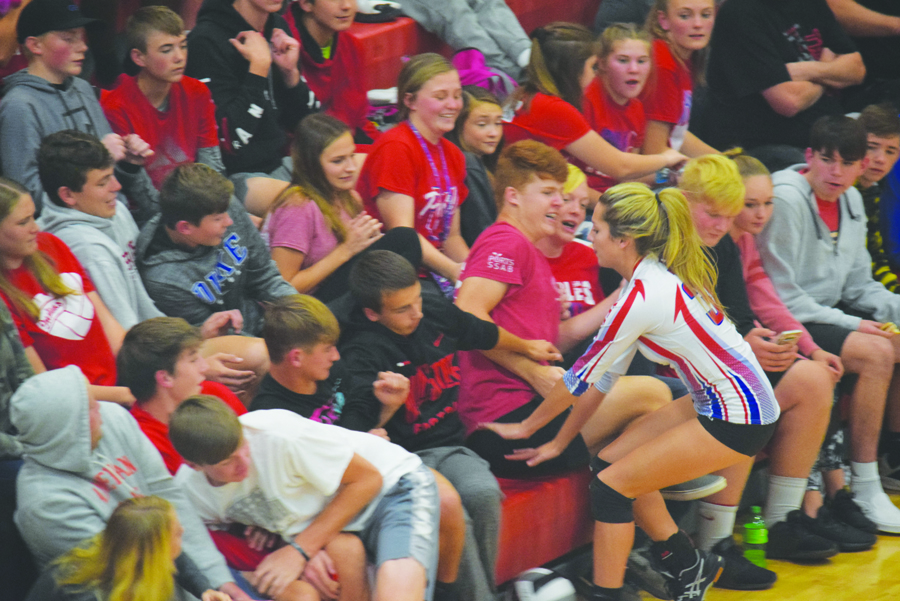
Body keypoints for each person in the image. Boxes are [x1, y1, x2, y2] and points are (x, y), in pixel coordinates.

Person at [482, 181, 780, 601]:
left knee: (611, 487)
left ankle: (609, 592)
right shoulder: (649, 276)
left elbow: (578, 378)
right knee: (609, 464)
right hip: (721, 401)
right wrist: (558, 442)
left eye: (598, 228)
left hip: (740, 416)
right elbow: (602, 380)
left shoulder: (642, 296)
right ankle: (689, 566)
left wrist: (526, 427)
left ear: (623, 240)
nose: (590, 235)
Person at [338, 250, 568, 600]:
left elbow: (478, 332)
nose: (417, 313)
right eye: (402, 309)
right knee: (455, 513)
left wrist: (527, 348)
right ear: (373, 313)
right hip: (404, 459)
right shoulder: (362, 353)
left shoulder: (430, 308)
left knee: (485, 493)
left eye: (417, 299)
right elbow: (357, 433)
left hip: (449, 445)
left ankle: (480, 592)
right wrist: (386, 408)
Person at [455, 141, 675, 479]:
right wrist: (530, 367)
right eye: (547, 193)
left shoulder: (527, 250)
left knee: (649, 416)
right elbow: (466, 317)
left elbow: (546, 343)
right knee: (655, 393)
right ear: (513, 197)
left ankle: (639, 509)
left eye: (560, 193)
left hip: (533, 406)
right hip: (504, 421)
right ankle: (655, 498)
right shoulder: (506, 241)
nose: (558, 203)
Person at [117, 316, 365, 600]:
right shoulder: (144, 442)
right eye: (194, 359)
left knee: (346, 551)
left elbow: (258, 463)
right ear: (165, 378)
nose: (205, 366)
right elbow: (190, 530)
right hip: (227, 554)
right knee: (303, 594)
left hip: (271, 519)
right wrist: (288, 553)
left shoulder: (213, 393)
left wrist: (295, 543)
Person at [756, 114, 900, 532]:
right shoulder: (786, 199)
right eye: (826, 160)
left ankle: (878, 463)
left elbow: (860, 284)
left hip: (825, 312)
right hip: (788, 319)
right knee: (876, 352)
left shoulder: (852, 199)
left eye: (847, 163)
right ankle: (867, 485)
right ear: (809, 157)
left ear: (860, 166)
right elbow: (784, 296)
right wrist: (852, 326)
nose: (836, 173)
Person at [727, 150, 878, 543]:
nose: (762, 215)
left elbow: (765, 302)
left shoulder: (744, 240)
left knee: (820, 371)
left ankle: (796, 514)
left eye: (767, 204)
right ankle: (743, 532)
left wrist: (810, 348)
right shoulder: (710, 242)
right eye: (750, 204)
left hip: (744, 345)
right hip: (713, 362)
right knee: (810, 380)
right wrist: (749, 345)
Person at [11, 366, 252, 601]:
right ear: (68, 430)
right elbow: (135, 561)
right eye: (91, 409)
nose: (102, 409)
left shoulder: (113, 420)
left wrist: (215, 581)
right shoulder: (45, 504)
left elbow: (167, 494)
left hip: (177, 569)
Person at [170, 395, 441, 601]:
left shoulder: (279, 435)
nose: (243, 462)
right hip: (334, 523)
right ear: (195, 466)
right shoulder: (189, 492)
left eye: (242, 447)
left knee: (397, 589)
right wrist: (271, 537)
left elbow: (368, 479)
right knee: (336, 562)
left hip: (391, 489)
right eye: (228, 461)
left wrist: (300, 550)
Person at [0, 0, 157, 220]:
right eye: (68, 38)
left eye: (81, 37)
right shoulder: (19, 106)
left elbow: (107, 178)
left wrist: (128, 165)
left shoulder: (82, 89)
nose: (83, 46)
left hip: (113, 221)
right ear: (35, 46)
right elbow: (27, 198)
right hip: (67, 235)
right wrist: (95, 160)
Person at [503, 22, 686, 195]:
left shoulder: (532, 97)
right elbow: (620, 167)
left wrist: (669, 175)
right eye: (593, 67)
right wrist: (667, 159)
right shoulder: (551, 108)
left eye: (642, 61)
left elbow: (625, 175)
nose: (595, 74)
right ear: (573, 70)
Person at [0, 178, 133, 403]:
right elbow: (44, 384)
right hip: (83, 405)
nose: (36, 228)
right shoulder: (4, 299)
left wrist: (145, 373)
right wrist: (125, 396)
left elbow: (109, 326)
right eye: (23, 223)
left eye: (33, 216)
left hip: (123, 383)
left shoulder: (51, 245)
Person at [263, 113, 414, 302]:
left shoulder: (349, 197)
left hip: (341, 287)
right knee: (405, 239)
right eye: (338, 161)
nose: (351, 167)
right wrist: (346, 250)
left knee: (404, 242)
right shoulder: (298, 207)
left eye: (352, 156)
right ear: (312, 165)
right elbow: (282, 287)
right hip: (313, 306)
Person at [136, 163, 295, 338]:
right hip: (230, 345)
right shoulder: (164, 280)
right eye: (218, 219)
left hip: (260, 318)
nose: (229, 221)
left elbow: (265, 276)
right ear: (185, 227)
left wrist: (301, 310)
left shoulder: (222, 205)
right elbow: (216, 337)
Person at [185, 0, 319, 206]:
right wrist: (258, 70)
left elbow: (308, 126)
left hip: (281, 162)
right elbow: (229, 143)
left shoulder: (277, 27)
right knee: (311, 206)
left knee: (363, 173)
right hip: (232, 180)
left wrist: (290, 74)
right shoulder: (205, 42)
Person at [356, 53, 469, 294]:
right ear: (410, 101)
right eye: (441, 97)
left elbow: (451, 237)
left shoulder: (453, 154)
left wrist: (473, 272)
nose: (453, 104)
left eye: (457, 96)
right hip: (395, 274)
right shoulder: (396, 148)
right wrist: (453, 272)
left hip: (436, 270)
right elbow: (403, 237)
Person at [703, 0, 865, 158]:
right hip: (766, 147)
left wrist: (808, 69)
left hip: (826, 135)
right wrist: (831, 69)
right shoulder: (740, 12)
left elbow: (857, 69)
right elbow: (789, 102)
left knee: (877, 138)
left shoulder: (812, 3)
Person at [102, 6, 225, 190]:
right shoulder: (116, 106)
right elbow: (137, 196)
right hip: (149, 211)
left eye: (183, 46)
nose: (179, 57)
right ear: (139, 57)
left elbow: (212, 167)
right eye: (166, 50)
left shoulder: (197, 91)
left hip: (198, 198)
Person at [25, 496, 232, 601]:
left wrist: (204, 589)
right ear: (152, 553)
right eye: (177, 533)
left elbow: (177, 556)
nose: (183, 531)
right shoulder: (88, 593)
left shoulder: (117, 547)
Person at [284, 0, 380, 143]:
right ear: (306, 3)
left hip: (344, 145)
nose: (346, 6)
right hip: (302, 154)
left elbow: (359, 121)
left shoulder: (351, 46)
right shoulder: (281, 50)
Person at [640, 0, 718, 158]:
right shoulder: (663, 64)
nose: (698, 24)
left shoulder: (682, 57)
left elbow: (677, 135)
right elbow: (653, 152)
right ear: (663, 20)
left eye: (705, 15)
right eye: (684, 16)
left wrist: (729, 161)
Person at [580, 23, 652, 193]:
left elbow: (628, 175)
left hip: (614, 197)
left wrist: (675, 174)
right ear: (602, 63)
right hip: (584, 202)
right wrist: (609, 208)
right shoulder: (585, 101)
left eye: (642, 61)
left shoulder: (637, 109)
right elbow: (567, 180)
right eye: (623, 60)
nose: (634, 69)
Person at [447, 86, 503, 247]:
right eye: (482, 124)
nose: (493, 133)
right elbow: (481, 231)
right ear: (459, 125)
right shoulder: (467, 164)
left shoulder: (488, 165)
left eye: (498, 123)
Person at [854, 104, 900, 291]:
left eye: (890, 151)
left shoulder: (871, 193)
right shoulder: (841, 193)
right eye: (872, 147)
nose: (880, 159)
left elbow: (876, 259)